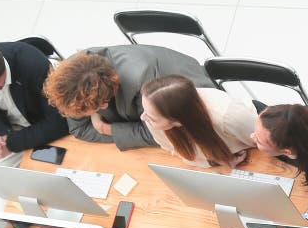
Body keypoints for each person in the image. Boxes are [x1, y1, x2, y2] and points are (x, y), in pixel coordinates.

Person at [43, 45, 214, 151]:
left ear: (102, 104)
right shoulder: (73, 76)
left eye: (89, 112)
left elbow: (162, 133)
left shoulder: (147, 86)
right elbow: (79, 130)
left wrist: (106, 129)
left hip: (194, 111)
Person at [140, 75, 256, 168]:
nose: (142, 117)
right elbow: (176, 151)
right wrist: (215, 162)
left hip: (257, 143)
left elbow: (264, 142)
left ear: (179, 120)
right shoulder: (152, 121)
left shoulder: (230, 116)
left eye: (152, 117)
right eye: (144, 110)